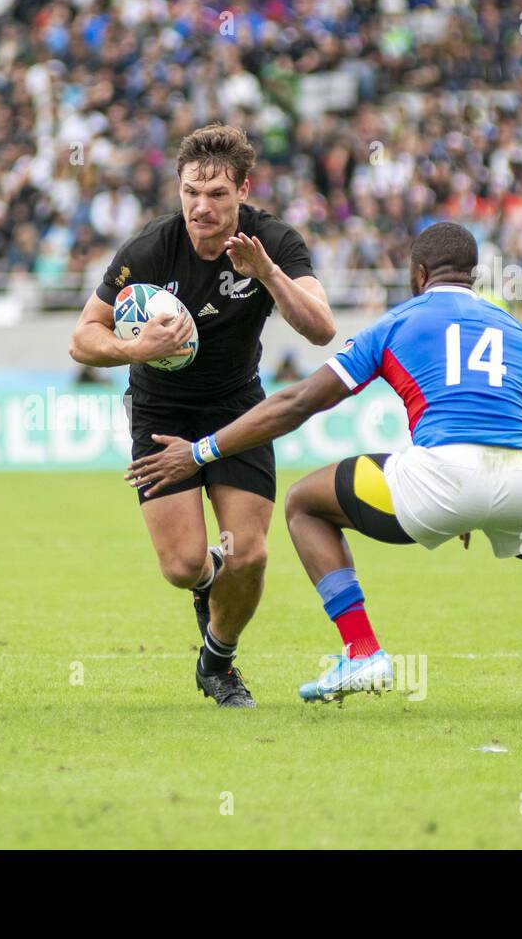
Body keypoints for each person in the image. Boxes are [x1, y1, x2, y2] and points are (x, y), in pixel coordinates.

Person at [125, 221, 522, 718]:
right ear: (473, 275)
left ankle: (362, 652)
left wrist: (201, 452)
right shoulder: (519, 334)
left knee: (305, 504)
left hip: (441, 477)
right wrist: (479, 503)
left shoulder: (400, 321)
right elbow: (503, 413)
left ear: (419, 272)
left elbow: (295, 403)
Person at [69, 124, 334, 707]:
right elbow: (82, 339)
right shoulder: (149, 250)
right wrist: (133, 350)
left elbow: (321, 329)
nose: (201, 207)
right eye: (191, 192)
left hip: (238, 409)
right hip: (161, 411)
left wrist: (268, 275)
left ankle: (217, 662)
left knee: (251, 554)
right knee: (185, 566)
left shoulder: (274, 242)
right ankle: (207, 582)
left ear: (243, 189)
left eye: (216, 194)